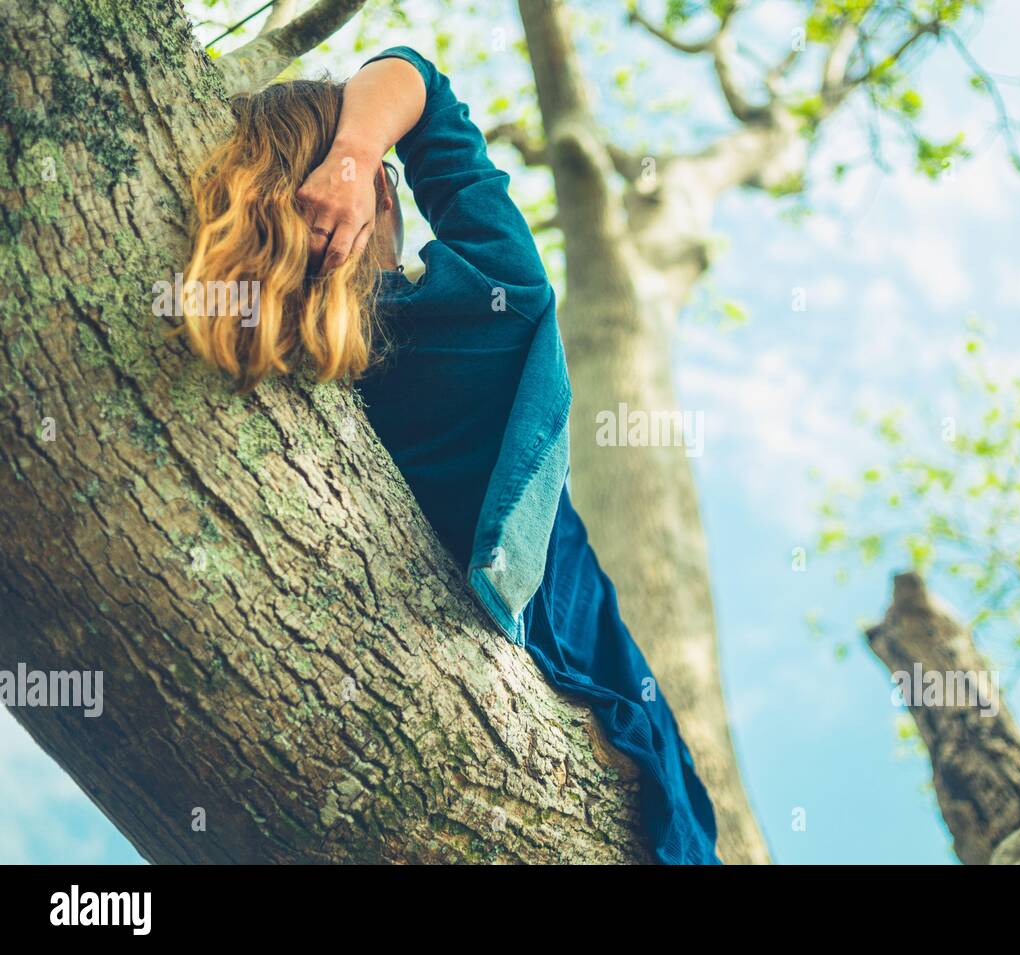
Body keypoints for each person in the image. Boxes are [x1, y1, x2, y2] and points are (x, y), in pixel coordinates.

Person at [180, 46, 720, 864]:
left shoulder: (264, 350)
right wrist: (358, 152)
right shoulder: (492, 308)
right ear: (384, 195)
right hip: (599, 698)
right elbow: (419, 80)